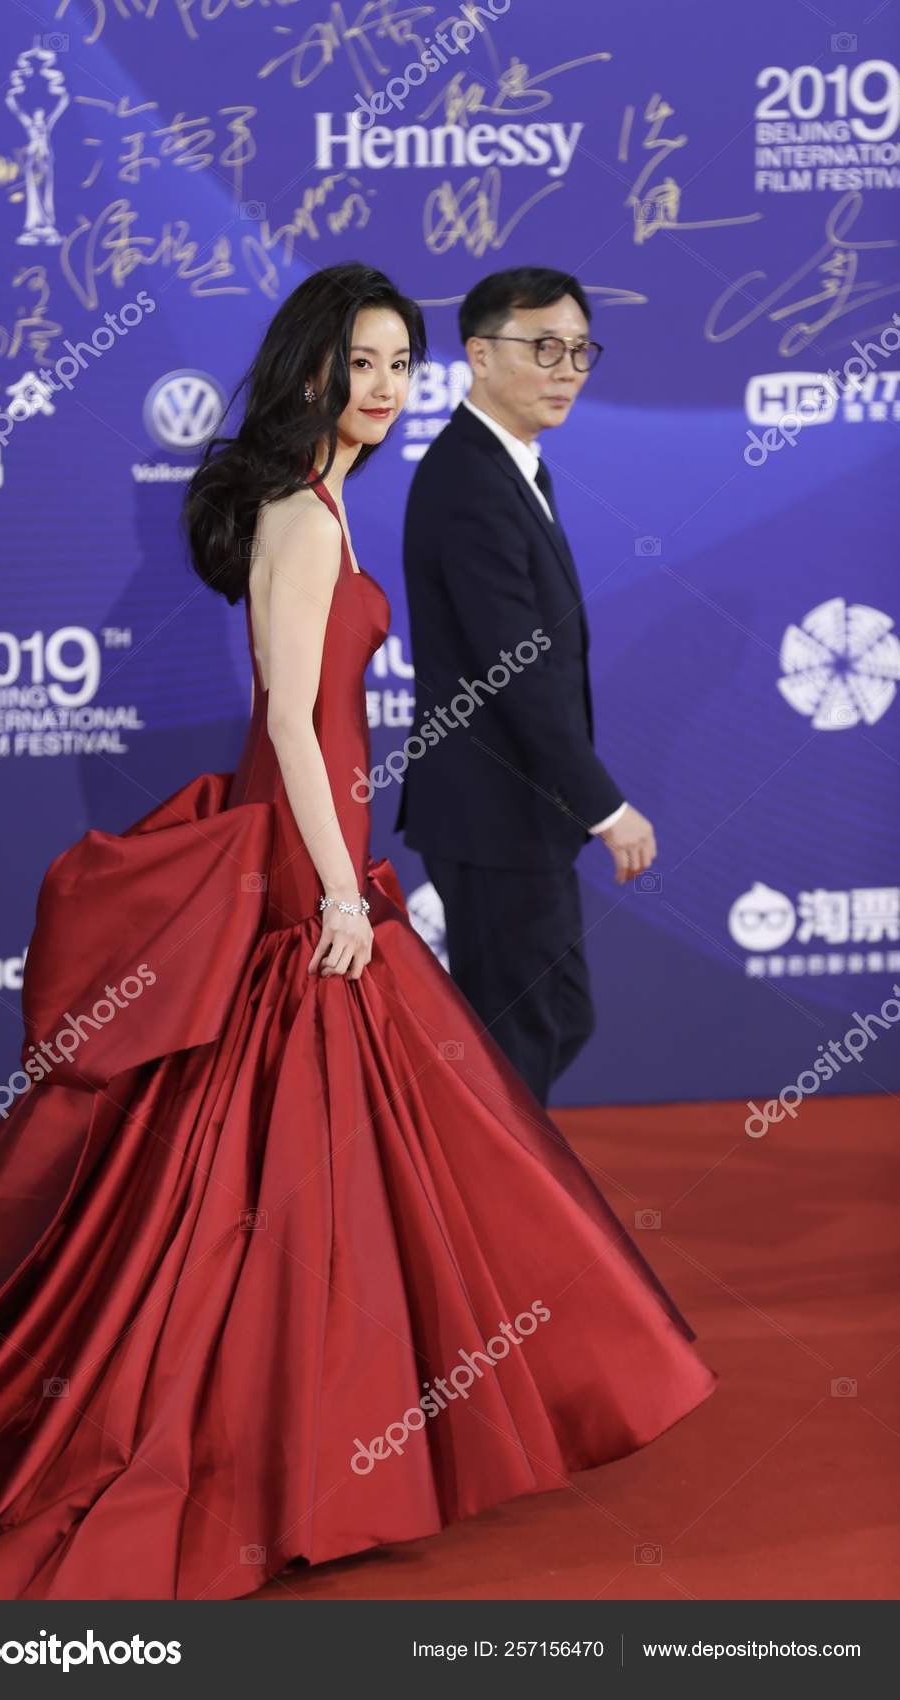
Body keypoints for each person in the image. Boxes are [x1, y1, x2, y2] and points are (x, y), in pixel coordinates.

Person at [0, 263, 714, 1603]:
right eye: (360, 363)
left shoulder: (333, 499)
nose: (383, 388)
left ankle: (308, 1436)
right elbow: (292, 720)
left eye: (399, 364)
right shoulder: (301, 516)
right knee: (269, 1142)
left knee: (309, 1148)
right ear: (311, 370)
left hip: (322, 846)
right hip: (303, 860)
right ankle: (268, 1447)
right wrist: (339, 890)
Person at [396, 267, 656, 1109]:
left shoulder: (507, 466)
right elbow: (517, 674)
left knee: (552, 1021)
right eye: (543, 348)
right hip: (491, 810)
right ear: (478, 354)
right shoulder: (470, 482)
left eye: (579, 350)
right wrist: (605, 808)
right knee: (522, 1036)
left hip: (518, 813)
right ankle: (472, 1189)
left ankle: (468, 1176)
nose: (567, 369)